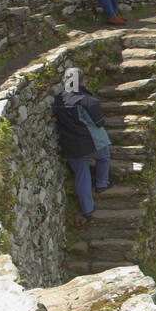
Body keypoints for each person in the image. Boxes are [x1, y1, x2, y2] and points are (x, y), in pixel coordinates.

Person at [53, 69, 111, 219]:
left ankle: (87, 209)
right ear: (81, 80)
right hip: (90, 140)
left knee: (81, 174)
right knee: (104, 156)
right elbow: (99, 122)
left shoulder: (59, 99)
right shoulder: (86, 100)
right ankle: (102, 184)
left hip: (70, 143)